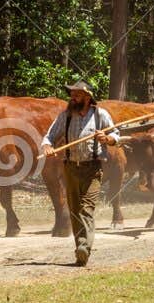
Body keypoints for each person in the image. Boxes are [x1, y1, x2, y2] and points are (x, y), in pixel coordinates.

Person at [40, 81, 120, 266]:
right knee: (75, 211)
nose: (72, 97)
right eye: (72, 93)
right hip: (70, 169)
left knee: (86, 208)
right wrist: (47, 146)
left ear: (87, 97)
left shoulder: (101, 115)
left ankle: (84, 246)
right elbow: (49, 136)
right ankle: (80, 251)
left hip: (93, 168)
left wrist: (107, 138)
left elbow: (116, 134)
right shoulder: (66, 116)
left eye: (77, 94)